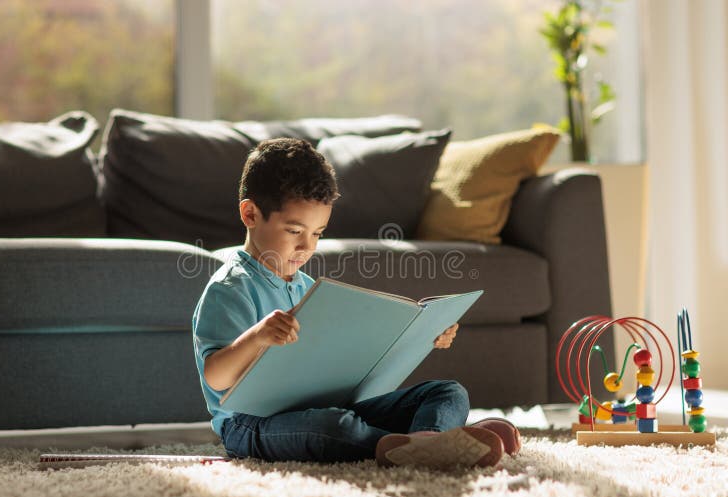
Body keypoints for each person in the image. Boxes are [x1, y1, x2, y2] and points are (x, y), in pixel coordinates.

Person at [193, 138, 520, 469]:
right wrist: (259, 335)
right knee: (332, 428)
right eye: (294, 231)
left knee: (447, 392)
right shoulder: (230, 288)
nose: (307, 247)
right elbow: (216, 377)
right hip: (251, 426)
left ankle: (429, 440)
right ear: (250, 214)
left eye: (318, 234)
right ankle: (435, 440)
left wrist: (422, 337)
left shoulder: (308, 288)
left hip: (322, 406)